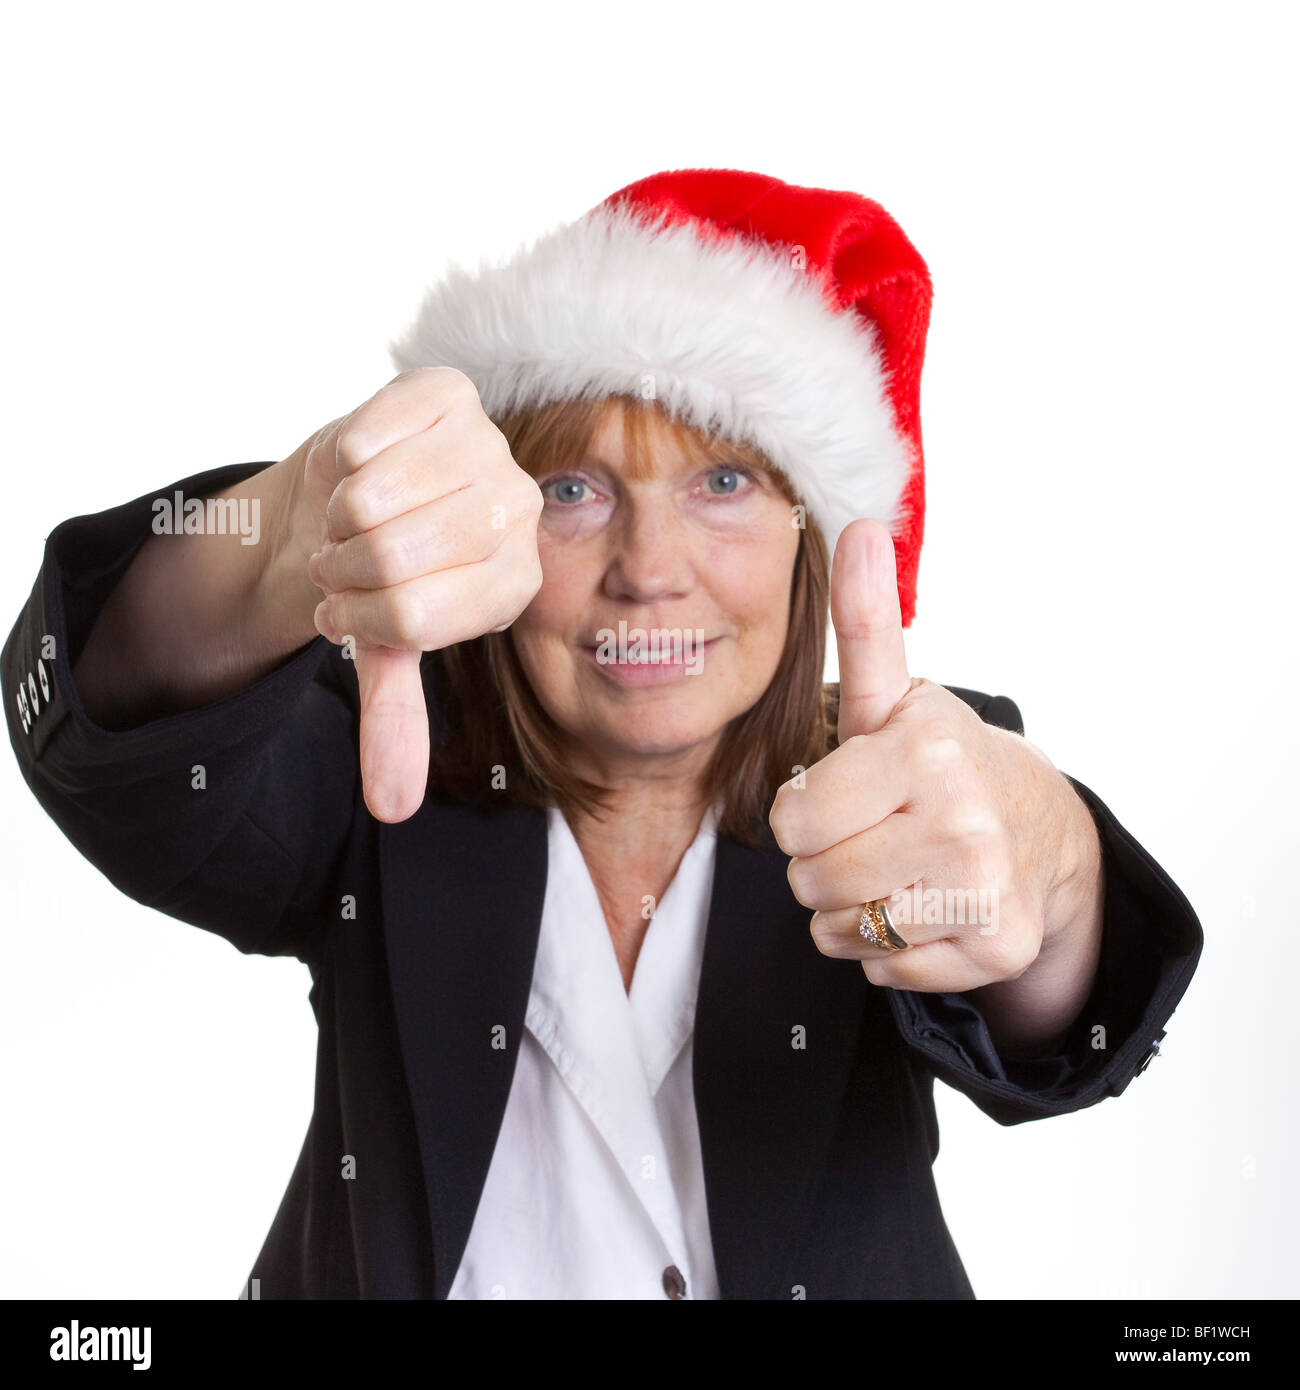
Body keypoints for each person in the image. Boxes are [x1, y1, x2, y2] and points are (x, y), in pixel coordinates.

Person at [2, 168, 1203, 1300]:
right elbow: (109, 726)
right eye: (575, 489)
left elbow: (1058, 1014)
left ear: (811, 533)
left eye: (722, 482)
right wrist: (283, 544)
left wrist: (1052, 860)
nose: (646, 572)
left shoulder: (899, 786)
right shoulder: (373, 785)